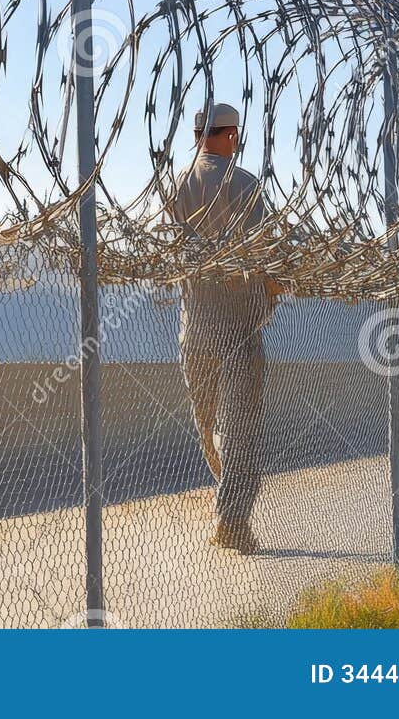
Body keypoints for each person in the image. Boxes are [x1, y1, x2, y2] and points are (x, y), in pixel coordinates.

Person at [168, 103, 278, 553]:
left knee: (208, 421)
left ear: (198, 135)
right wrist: (274, 288)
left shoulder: (174, 185)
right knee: (241, 428)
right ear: (231, 135)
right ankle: (232, 518)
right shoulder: (243, 183)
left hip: (194, 324)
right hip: (238, 323)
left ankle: (225, 506)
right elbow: (268, 253)